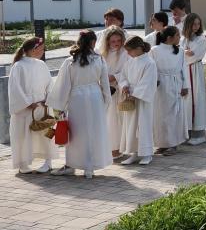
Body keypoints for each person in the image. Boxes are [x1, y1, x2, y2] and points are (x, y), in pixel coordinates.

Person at [47, 30, 111, 178]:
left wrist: (59, 107)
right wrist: (106, 101)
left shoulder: (70, 61)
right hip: (95, 97)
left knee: (77, 133)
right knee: (94, 131)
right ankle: (90, 167)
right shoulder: (99, 60)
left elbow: (63, 86)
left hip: (77, 99)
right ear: (93, 42)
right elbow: (105, 83)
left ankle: (72, 164)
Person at [7, 37, 56, 174]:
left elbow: (49, 84)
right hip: (26, 108)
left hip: (42, 106)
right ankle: (23, 163)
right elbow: (15, 88)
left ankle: (48, 162)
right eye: (41, 49)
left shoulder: (42, 64)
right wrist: (28, 103)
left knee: (46, 133)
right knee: (22, 135)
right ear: (33, 49)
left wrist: (48, 98)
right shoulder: (18, 66)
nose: (43, 51)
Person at [117, 36, 158, 165]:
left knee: (143, 125)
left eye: (130, 50)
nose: (128, 53)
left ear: (139, 48)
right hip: (131, 96)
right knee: (131, 126)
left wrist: (135, 94)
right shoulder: (130, 62)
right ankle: (134, 152)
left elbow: (148, 82)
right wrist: (124, 86)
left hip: (142, 99)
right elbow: (123, 76)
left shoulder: (149, 63)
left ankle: (147, 153)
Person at [150, 26, 188, 155]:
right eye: (177, 35)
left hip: (175, 84)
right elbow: (152, 67)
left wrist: (185, 86)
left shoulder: (180, 51)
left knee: (173, 115)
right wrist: (154, 81)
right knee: (160, 116)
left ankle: (173, 144)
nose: (179, 38)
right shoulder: (155, 50)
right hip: (160, 86)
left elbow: (183, 69)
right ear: (169, 38)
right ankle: (162, 143)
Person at [97, 25, 127, 159]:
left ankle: (116, 148)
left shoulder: (125, 53)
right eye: (113, 41)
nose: (116, 44)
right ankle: (106, 147)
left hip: (119, 89)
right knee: (106, 119)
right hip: (104, 89)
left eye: (119, 41)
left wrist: (115, 77)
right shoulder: (101, 53)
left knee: (116, 120)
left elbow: (129, 70)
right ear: (107, 41)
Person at [182, 13, 206, 145]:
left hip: (195, 70)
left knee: (196, 98)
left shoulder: (201, 39)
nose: (196, 26)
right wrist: (184, 53)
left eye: (198, 24)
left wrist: (185, 54)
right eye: (193, 24)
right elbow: (179, 52)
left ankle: (198, 134)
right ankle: (186, 132)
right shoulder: (183, 39)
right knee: (186, 101)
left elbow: (196, 55)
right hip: (184, 71)